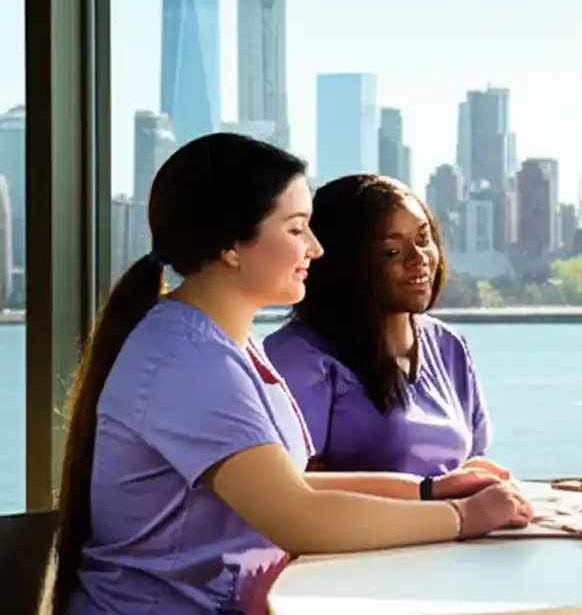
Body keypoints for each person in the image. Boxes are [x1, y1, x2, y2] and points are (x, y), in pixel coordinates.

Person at [53, 134, 532, 615]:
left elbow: (289, 488)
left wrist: (428, 491)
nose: (317, 248)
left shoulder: (226, 347)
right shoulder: (187, 360)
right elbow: (296, 517)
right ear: (231, 247)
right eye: (297, 229)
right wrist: (461, 517)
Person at [264, 174, 504, 478]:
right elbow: (294, 490)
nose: (419, 259)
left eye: (423, 239)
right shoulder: (297, 358)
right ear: (345, 263)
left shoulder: (448, 345)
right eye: (392, 251)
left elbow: (471, 458)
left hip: (457, 524)